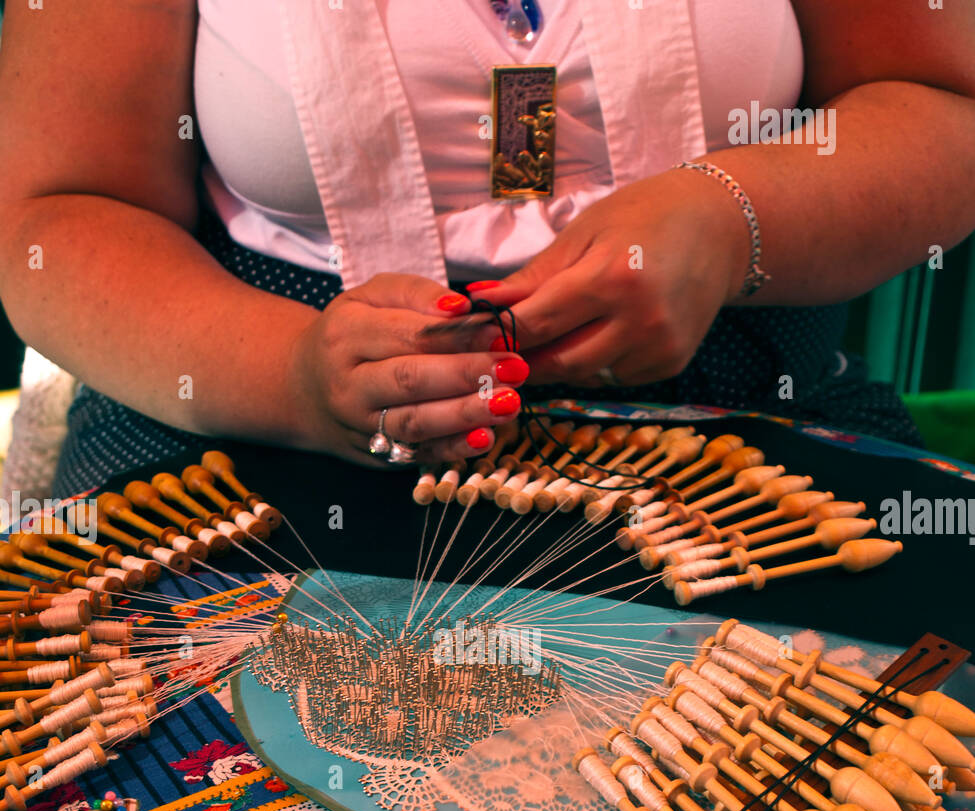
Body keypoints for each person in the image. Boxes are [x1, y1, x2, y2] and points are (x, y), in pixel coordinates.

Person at [0, 0, 974, 498]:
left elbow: (941, 108)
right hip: (244, 456)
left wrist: (729, 222)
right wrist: (295, 376)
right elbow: (61, 213)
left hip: (748, 448)